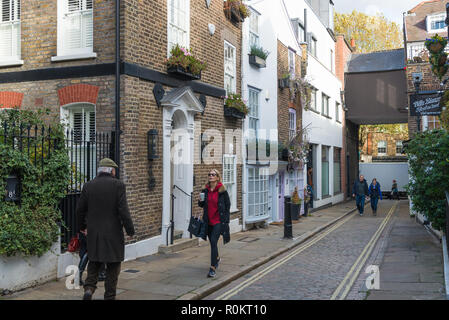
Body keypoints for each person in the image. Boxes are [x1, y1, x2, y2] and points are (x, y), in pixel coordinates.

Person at [76, 158, 135, 300]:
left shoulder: (88, 186)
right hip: (113, 234)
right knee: (113, 267)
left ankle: (89, 289)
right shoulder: (118, 185)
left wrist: (82, 227)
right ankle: (109, 296)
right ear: (112, 171)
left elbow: (79, 210)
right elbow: (123, 211)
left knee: (94, 263)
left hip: (94, 233)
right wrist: (130, 229)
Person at [198, 169, 231, 278]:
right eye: (209, 174)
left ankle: (212, 268)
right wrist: (200, 200)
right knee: (213, 244)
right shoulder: (205, 190)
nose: (211, 176)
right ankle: (216, 258)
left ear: (217, 177)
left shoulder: (222, 190)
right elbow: (201, 205)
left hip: (218, 221)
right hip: (208, 221)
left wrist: (225, 220)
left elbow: (228, 205)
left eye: (213, 174)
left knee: (213, 240)